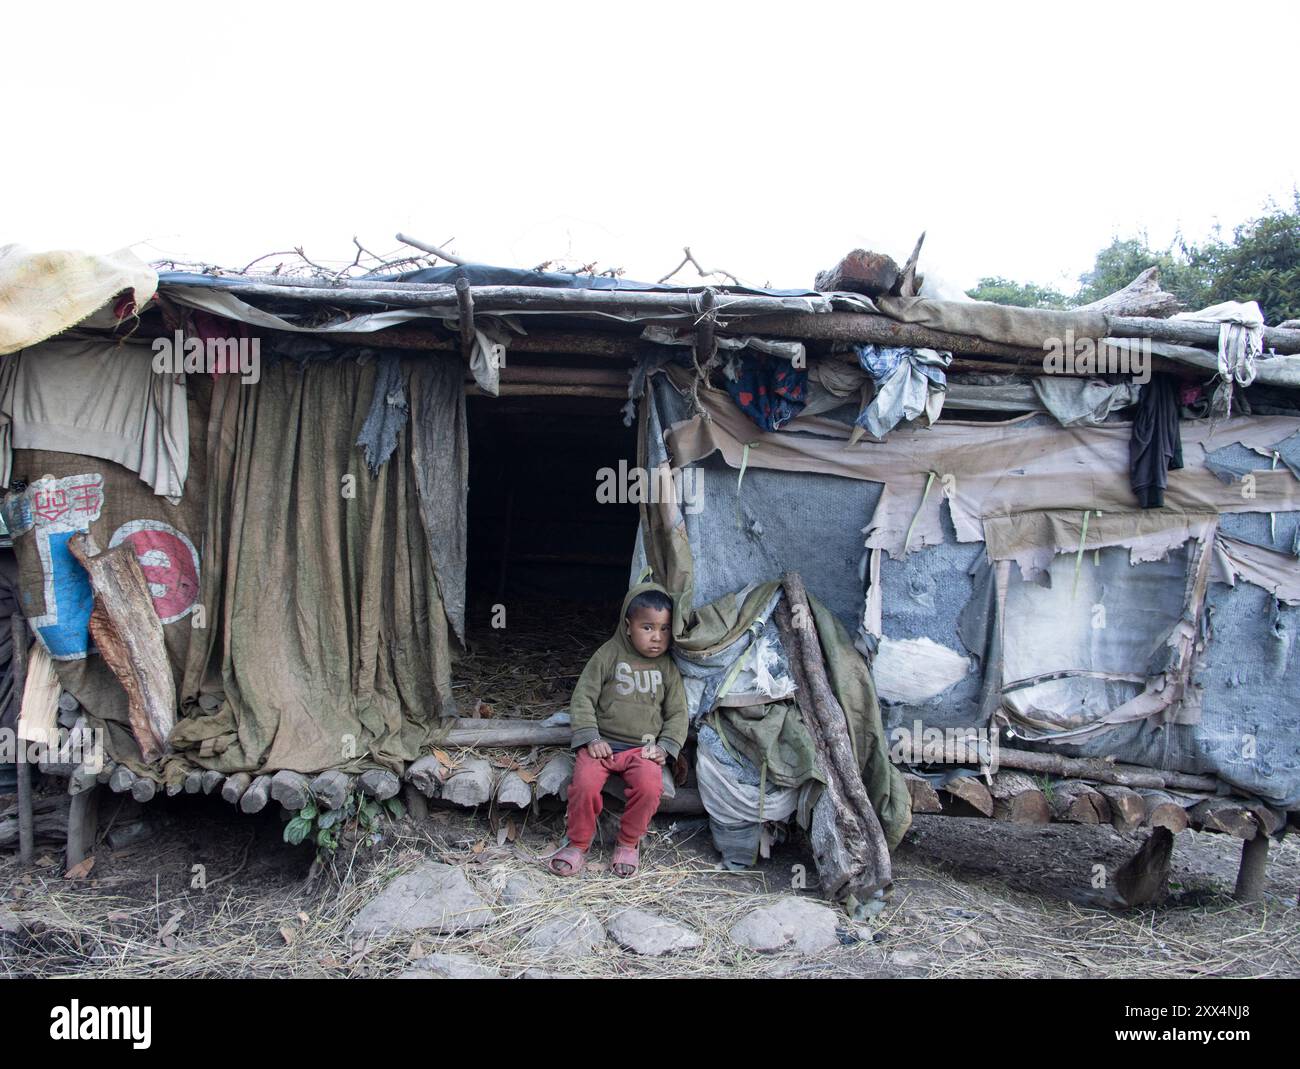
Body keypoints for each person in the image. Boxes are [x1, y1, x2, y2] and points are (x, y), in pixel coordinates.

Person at [548, 582, 687, 878]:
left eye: (664, 629)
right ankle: (577, 843)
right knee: (583, 786)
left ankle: (628, 842)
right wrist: (591, 737)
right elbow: (583, 697)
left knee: (650, 789)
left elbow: (677, 713)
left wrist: (665, 747)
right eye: (647, 627)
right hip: (603, 746)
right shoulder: (608, 655)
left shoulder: (667, 668)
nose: (657, 638)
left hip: (643, 750)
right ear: (628, 626)